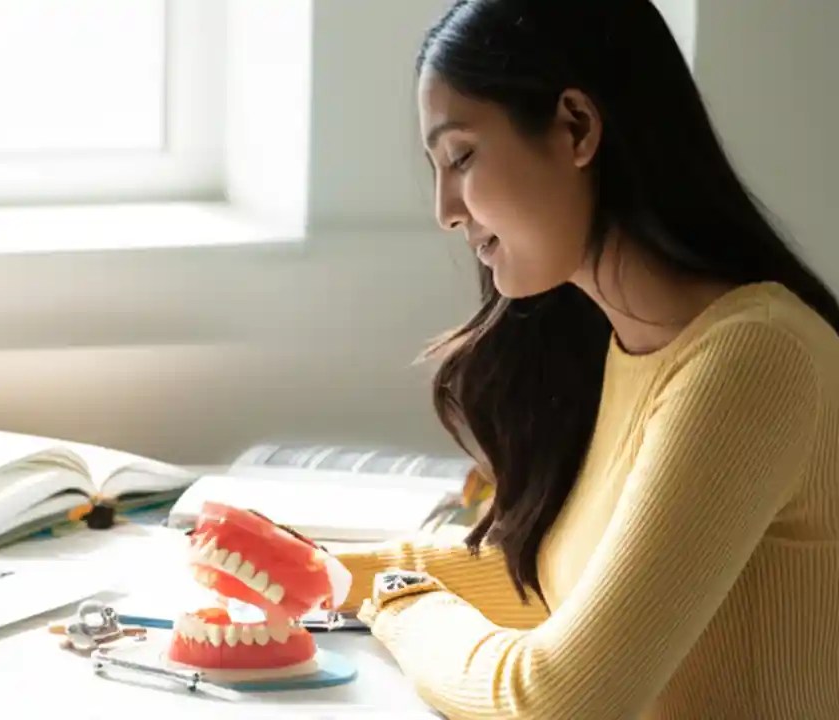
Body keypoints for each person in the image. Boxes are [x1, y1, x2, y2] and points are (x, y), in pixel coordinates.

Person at [331, 1, 839, 718]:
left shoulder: (755, 360)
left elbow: (561, 702)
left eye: (462, 157)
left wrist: (394, 601)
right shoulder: (628, 341)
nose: (445, 208)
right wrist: (318, 570)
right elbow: (551, 580)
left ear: (576, 127)